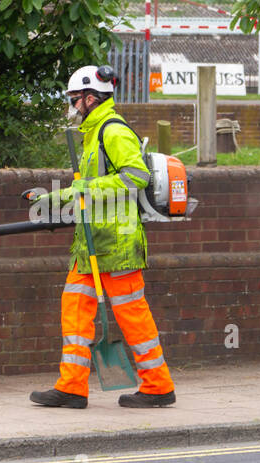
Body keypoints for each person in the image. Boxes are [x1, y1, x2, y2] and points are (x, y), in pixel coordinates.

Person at [27, 65, 176, 409]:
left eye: (75, 99)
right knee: (75, 306)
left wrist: (84, 188)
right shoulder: (93, 133)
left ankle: (158, 386)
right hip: (92, 242)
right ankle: (72, 387)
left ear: (91, 98)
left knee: (131, 315)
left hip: (117, 244)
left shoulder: (113, 131)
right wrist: (52, 199)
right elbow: (85, 191)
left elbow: (136, 176)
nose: (72, 106)